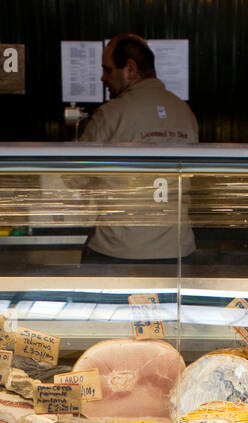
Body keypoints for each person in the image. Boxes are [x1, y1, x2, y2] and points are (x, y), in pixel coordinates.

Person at [79, 34, 198, 261]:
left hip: (117, 251)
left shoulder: (110, 114)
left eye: (108, 69)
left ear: (130, 69)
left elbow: (77, 176)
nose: (103, 78)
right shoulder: (184, 111)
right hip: (177, 252)